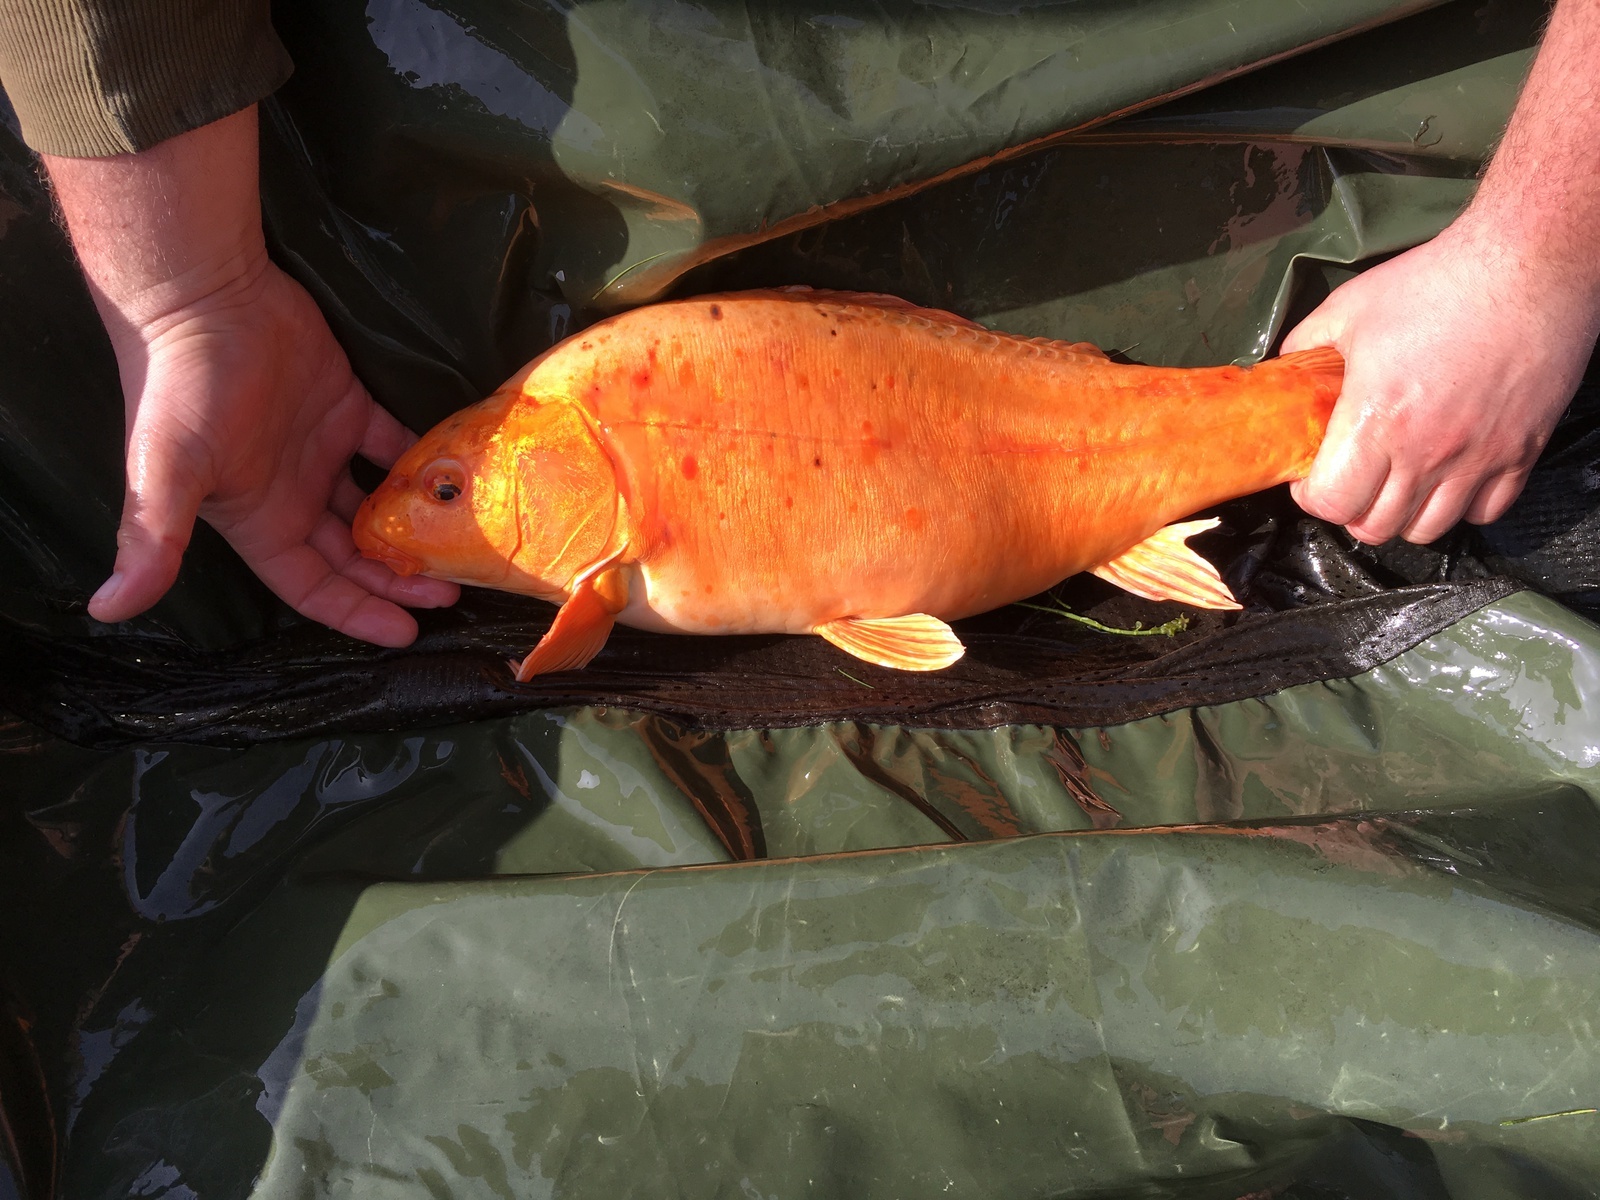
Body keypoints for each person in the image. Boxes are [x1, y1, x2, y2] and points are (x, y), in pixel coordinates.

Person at [1, 0, 1597, 647]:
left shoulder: (583, 411)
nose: (426, 504)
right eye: (441, 484)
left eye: (442, 486)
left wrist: (1535, 260)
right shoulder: (578, 440)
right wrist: (187, 287)